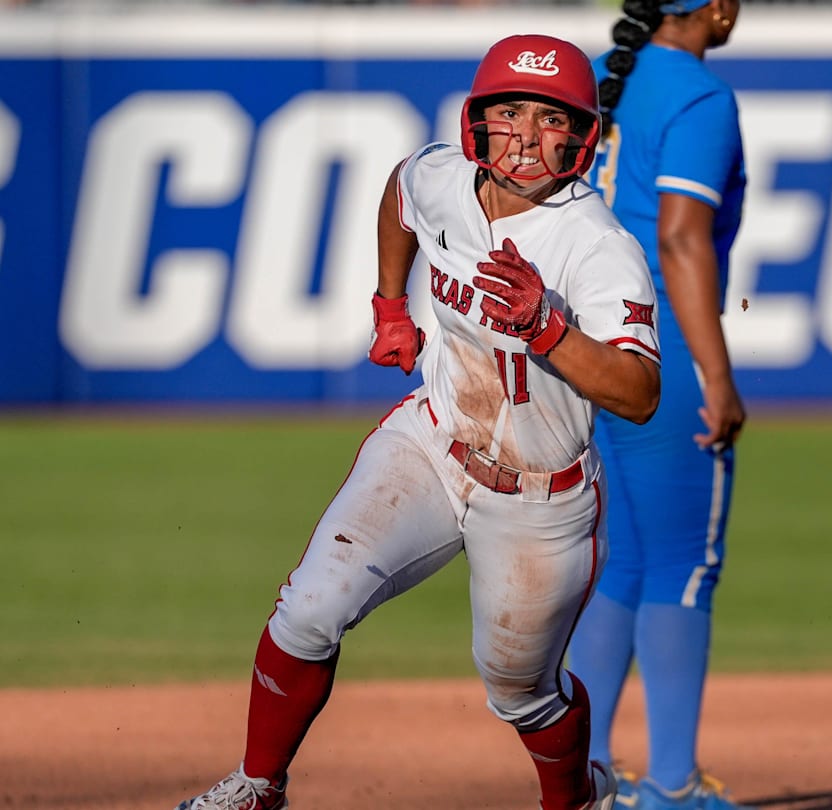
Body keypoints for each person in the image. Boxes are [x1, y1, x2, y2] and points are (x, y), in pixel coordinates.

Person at [175, 33, 661, 810]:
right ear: (478, 121)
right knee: (310, 609)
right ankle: (258, 785)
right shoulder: (444, 177)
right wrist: (388, 305)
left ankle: (578, 798)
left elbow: (639, 393)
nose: (528, 136)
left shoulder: (597, 248)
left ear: (580, 136)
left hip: (541, 495)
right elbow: (401, 193)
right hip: (433, 442)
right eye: (510, 113)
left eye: (550, 118)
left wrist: (550, 330)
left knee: (520, 693)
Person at [564, 2, 750, 809]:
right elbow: (681, 236)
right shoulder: (699, 98)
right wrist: (715, 372)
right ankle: (672, 785)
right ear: (712, 6)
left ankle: (589, 779)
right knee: (682, 568)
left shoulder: (615, 81)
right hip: (665, 353)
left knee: (622, 564)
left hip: (595, 346)